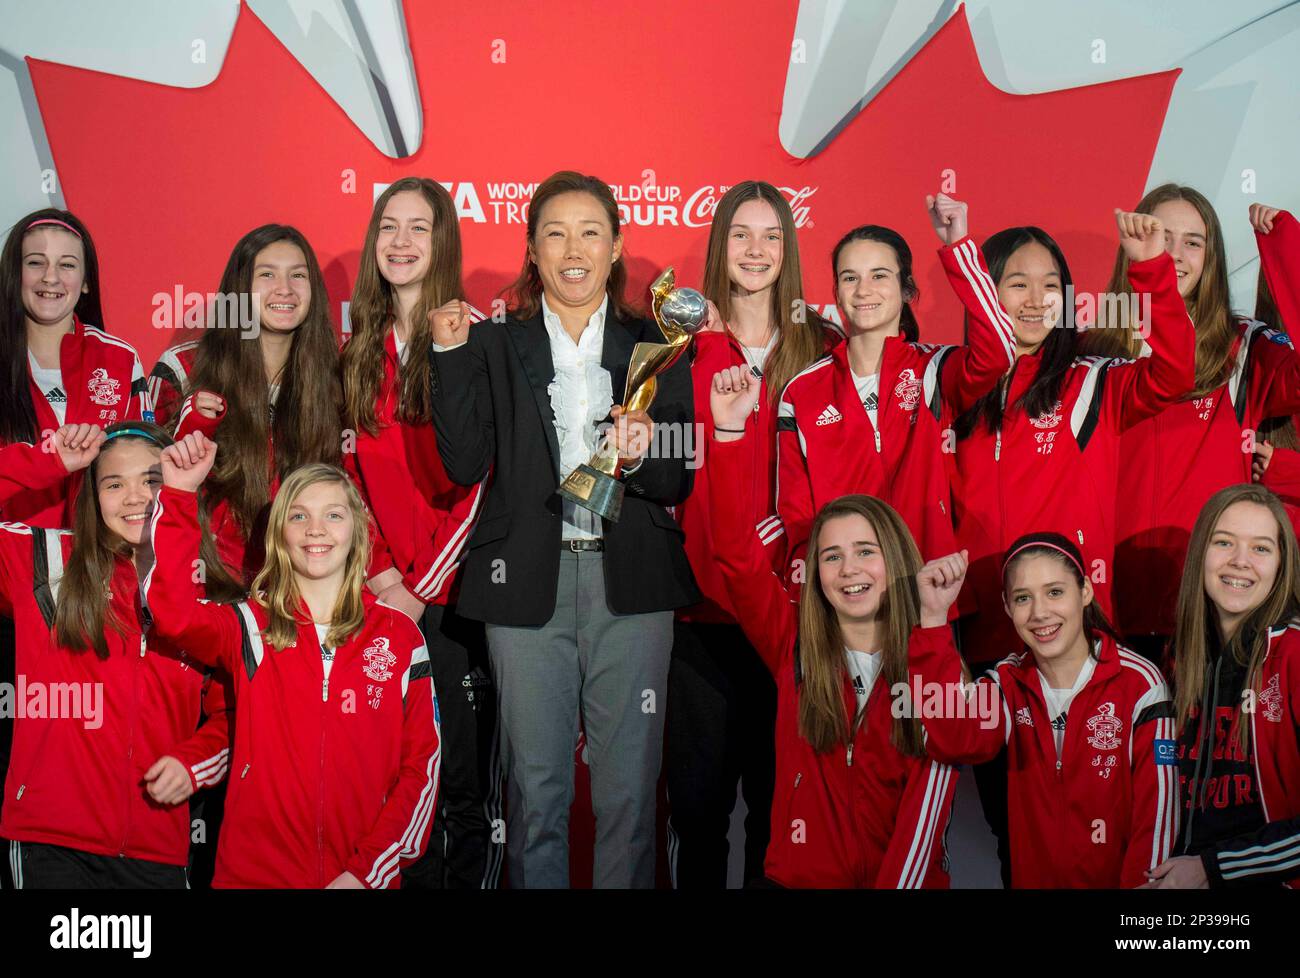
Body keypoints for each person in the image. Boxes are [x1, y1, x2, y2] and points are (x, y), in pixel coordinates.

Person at [427, 170, 698, 888]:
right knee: (535, 796)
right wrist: (449, 358)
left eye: (590, 232)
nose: (573, 248)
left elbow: (677, 478)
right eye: (555, 232)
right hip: (524, 589)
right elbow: (462, 462)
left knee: (630, 799)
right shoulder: (493, 343)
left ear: (616, 247)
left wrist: (644, 453)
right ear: (532, 249)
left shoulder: (660, 340)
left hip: (631, 587)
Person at [143, 431, 440, 888]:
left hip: (359, 880)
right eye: (299, 515)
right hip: (252, 877)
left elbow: (421, 770)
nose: (315, 529)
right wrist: (180, 495)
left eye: (333, 515)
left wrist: (367, 874)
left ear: (358, 531)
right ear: (279, 533)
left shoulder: (400, 637)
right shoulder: (249, 626)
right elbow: (174, 616)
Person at [707, 363, 956, 887]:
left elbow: (955, 755)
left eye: (866, 552)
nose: (849, 571)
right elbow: (735, 554)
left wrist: (933, 629)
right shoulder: (792, 643)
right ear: (814, 572)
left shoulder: (929, 659)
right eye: (832, 556)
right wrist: (729, 435)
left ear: (894, 558)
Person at [667, 180, 836, 888]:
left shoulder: (825, 346)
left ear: (790, 249)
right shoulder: (679, 345)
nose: (756, 251)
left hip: (795, 618)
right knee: (699, 814)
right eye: (741, 234)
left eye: (771, 236)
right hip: (702, 611)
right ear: (719, 245)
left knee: (783, 817)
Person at [952, 210, 1196, 668]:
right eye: (1018, 284)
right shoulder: (953, 384)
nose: (1036, 300)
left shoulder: (1093, 381)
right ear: (987, 294)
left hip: (1075, 636)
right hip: (979, 635)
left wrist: (1149, 271)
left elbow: (1177, 371)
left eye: (1050, 285)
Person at [341, 177, 493, 889]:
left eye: (418, 229)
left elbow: (484, 479)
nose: (400, 244)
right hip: (380, 601)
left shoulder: (474, 336)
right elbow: (343, 481)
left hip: (456, 605)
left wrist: (424, 591)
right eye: (388, 228)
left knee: (461, 785)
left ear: (443, 242)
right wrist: (382, 579)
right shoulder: (353, 353)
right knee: (394, 781)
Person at [0, 422, 229, 888]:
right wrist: (49, 460)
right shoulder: (43, 559)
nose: (134, 498)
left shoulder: (212, 594)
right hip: (51, 843)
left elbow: (235, 717)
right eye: (113, 483)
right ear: (92, 494)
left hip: (157, 845)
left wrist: (193, 763)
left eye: (152, 481)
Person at [1085, 188, 1300, 659]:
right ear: (1134, 242)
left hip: (1214, 601)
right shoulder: (1089, 349)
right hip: (1105, 601)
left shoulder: (1244, 346)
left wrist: (1288, 253)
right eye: (1162, 237)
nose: (1176, 255)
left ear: (1212, 257)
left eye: (1194, 242)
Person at [905, 534, 1178, 887]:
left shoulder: (1140, 683)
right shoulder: (1007, 682)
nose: (1040, 613)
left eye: (1055, 592)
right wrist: (933, 617)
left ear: (1085, 592)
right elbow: (955, 739)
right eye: (1023, 598)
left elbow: (1157, 821)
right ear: (1007, 607)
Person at [776, 193, 1017, 566]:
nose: (863, 289)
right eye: (850, 277)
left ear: (907, 290)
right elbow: (796, 510)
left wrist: (959, 247)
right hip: (844, 591)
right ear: (837, 292)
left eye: (879, 275)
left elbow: (1000, 348)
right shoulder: (802, 391)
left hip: (926, 584)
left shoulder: (934, 368)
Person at [147, 224, 363, 599]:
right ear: (239, 288)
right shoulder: (185, 370)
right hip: (204, 598)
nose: (285, 288)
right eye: (267, 275)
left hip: (299, 598)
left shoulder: (335, 380)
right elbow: (153, 489)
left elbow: (350, 491)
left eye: (298, 275)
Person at [1144, 484, 1300, 888]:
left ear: (1283, 564)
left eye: (1261, 548)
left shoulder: (1294, 655)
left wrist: (1213, 868)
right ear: (1201, 553)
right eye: (1224, 542)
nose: (1240, 561)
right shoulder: (1177, 658)